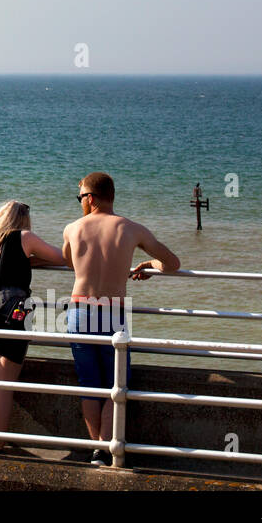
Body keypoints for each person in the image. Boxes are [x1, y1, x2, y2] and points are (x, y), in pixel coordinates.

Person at [62, 172, 180, 465]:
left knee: (89, 383)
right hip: (112, 313)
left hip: (79, 311)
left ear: (90, 198)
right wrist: (149, 264)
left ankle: (98, 450)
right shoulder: (131, 229)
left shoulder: (72, 229)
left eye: (80, 198)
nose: (80, 204)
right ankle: (107, 447)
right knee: (118, 383)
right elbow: (173, 263)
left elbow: (68, 261)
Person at [0, 200, 66, 454]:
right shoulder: (24, 237)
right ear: (23, 220)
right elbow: (64, 257)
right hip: (14, 305)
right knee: (5, 383)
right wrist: (31, 261)